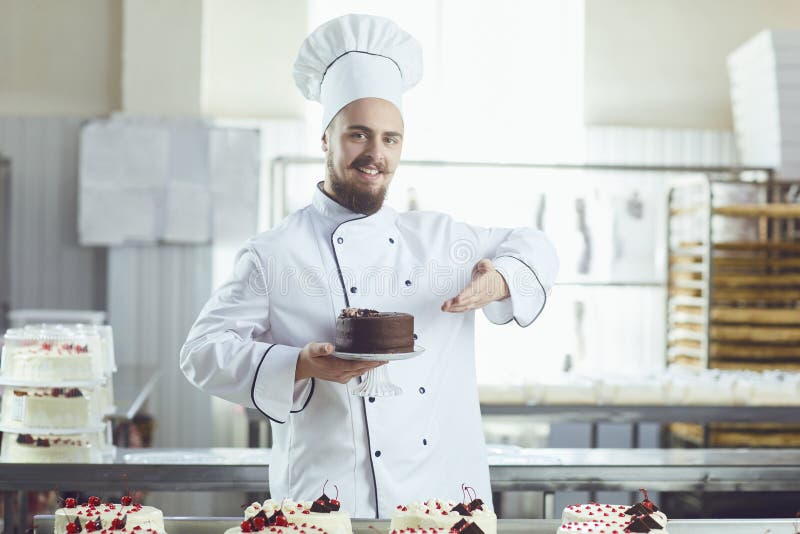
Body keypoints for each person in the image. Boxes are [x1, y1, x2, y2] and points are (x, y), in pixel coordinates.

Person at [180, 13, 558, 519]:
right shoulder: (274, 253)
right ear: (325, 139)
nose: (375, 154)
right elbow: (202, 353)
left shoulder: (443, 241)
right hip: (326, 501)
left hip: (439, 502)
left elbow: (535, 244)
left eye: (390, 138)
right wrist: (301, 363)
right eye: (358, 135)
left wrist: (501, 279)